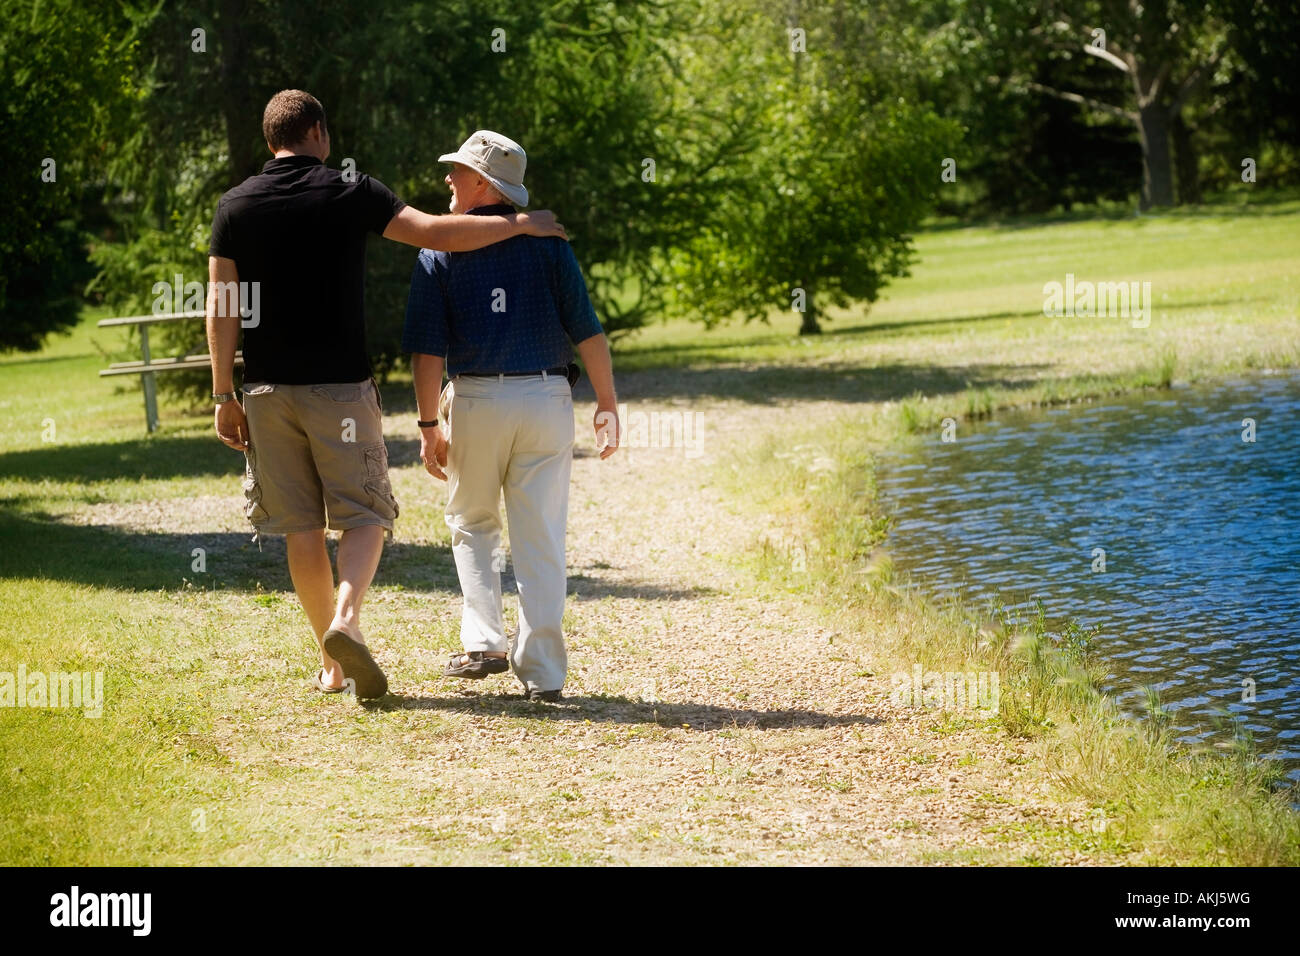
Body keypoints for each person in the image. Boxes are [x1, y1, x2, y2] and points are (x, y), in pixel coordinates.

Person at [206, 91, 568, 700]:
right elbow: (437, 234)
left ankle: (333, 661)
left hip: (267, 391)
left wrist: (223, 392)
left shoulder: (235, 205)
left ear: (270, 140)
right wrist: (521, 221)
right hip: (341, 390)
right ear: (318, 132)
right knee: (365, 514)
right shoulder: (351, 190)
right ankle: (346, 619)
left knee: (300, 527)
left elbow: (223, 308)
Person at [403, 130, 619, 703]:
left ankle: (484, 645)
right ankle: (544, 672)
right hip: (547, 398)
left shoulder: (439, 252)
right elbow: (589, 332)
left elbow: (427, 352)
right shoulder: (549, 243)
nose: (448, 178)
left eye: (458, 171)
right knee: (541, 536)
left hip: (477, 398)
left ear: (482, 184)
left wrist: (429, 425)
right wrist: (607, 404)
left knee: (473, 523)